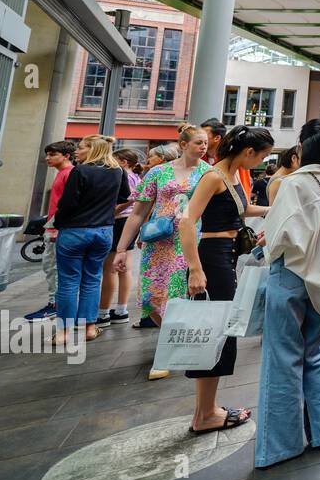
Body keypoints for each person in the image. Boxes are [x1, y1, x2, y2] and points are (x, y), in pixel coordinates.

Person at [257, 118, 320, 468]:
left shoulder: (293, 184)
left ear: (303, 150)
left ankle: (280, 446)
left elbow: (279, 237)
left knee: (282, 359)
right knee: (318, 354)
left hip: (291, 275)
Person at [177, 125, 272, 434]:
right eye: (262, 156)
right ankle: (204, 415)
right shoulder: (214, 177)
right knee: (215, 334)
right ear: (248, 152)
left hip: (225, 255)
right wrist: (195, 268)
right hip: (213, 257)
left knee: (219, 333)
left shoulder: (230, 176)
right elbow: (187, 221)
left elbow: (243, 211)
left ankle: (206, 410)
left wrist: (278, 209)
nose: (260, 162)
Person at [114, 124, 211, 378]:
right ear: (183, 145)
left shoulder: (208, 173)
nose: (203, 147)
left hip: (189, 240)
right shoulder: (158, 172)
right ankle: (173, 341)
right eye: (198, 143)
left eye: (206, 143)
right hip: (158, 240)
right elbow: (137, 213)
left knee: (177, 294)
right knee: (151, 295)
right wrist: (121, 248)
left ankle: (168, 350)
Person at [52, 135, 131, 344]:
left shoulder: (80, 171)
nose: (77, 151)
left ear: (93, 150)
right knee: (93, 279)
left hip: (74, 231)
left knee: (69, 281)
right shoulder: (117, 171)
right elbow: (125, 197)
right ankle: (90, 327)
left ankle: (63, 332)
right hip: (104, 231)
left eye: (82, 148)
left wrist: (56, 223)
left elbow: (67, 204)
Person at [24, 140, 77, 322]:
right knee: (51, 266)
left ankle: (54, 306)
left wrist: (57, 229)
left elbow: (68, 205)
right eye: (47, 154)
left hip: (58, 229)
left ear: (66, 156)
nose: (48, 158)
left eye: (53, 154)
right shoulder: (62, 173)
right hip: (56, 227)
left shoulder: (68, 174)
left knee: (53, 267)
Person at [96, 148, 141, 326]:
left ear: (123, 162)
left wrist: (112, 212)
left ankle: (103, 312)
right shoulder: (137, 177)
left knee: (110, 268)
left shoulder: (123, 175)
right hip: (131, 223)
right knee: (125, 268)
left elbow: (129, 198)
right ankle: (121, 309)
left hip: (121, 222)